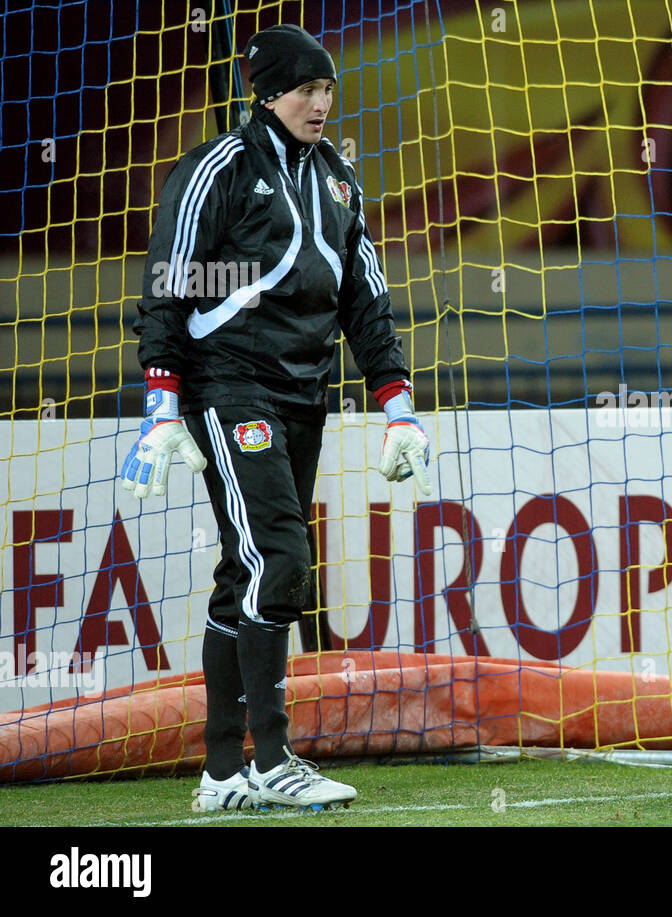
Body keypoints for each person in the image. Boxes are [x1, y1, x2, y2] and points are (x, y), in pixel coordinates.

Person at [121, 24, 433, 811]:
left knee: (246, 576)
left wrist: (397, 403)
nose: (321, 103)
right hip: (229, 383)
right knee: (283, 558)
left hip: (305, 392)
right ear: (268, 93)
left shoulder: (339, 180)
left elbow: (365, 299)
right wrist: (162, 404)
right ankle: (271, 758)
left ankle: (222, 773)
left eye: (328, 89)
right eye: (306, 89)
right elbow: (167, 283)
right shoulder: (216, 169)